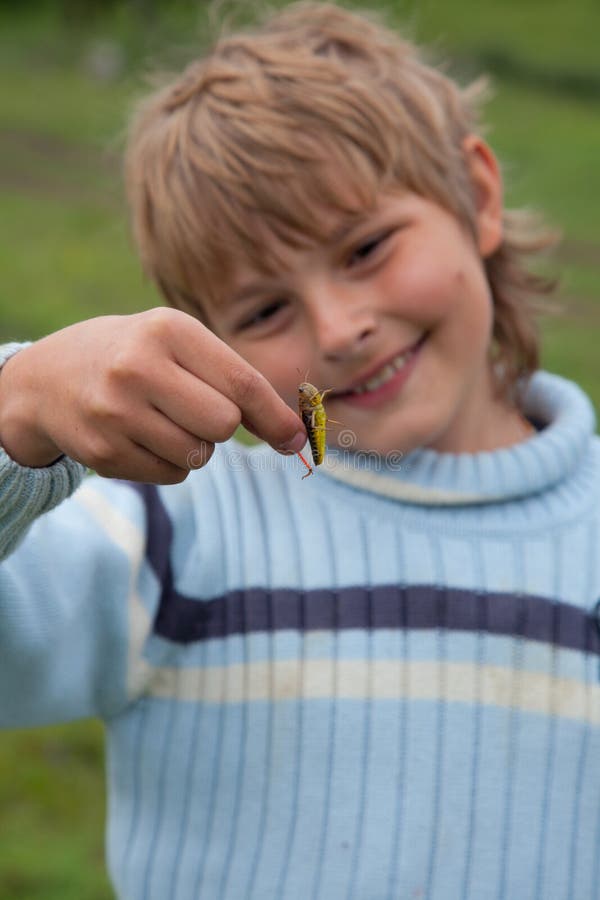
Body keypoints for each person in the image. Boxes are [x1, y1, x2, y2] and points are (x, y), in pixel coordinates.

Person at [0, 3, 598, 898]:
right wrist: (15, 410)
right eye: (266, 310)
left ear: (478, 196)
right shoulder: (172, 535)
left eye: (367, 248)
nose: (338, 329)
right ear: (207, 342)